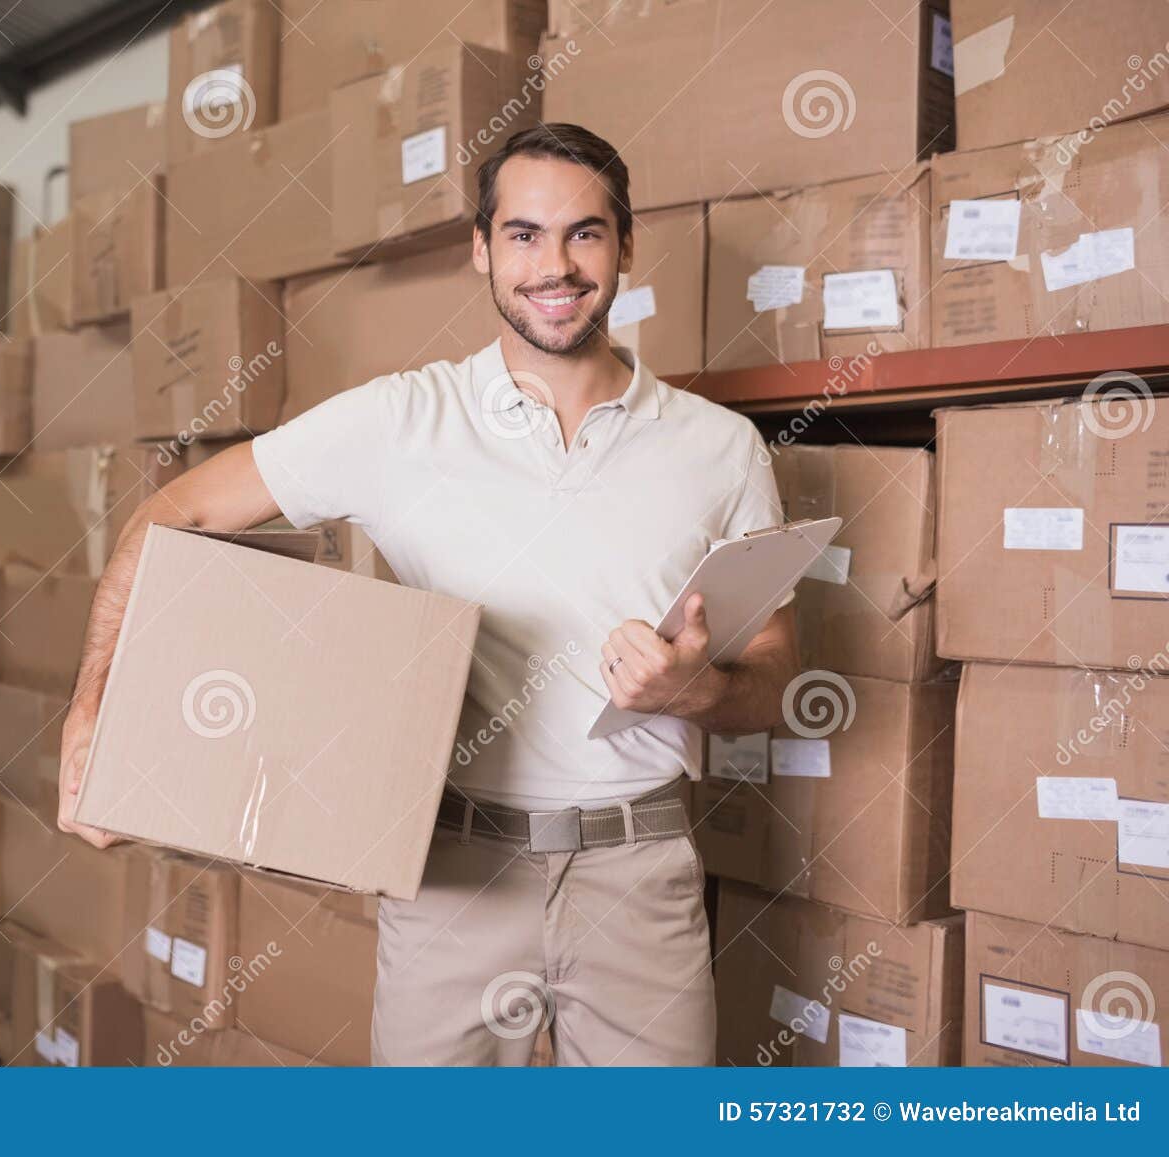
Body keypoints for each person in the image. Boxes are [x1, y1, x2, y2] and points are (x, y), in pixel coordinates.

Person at [57, 123, 797, 1066]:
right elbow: (176, 516)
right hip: (452, 874)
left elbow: (778, 672)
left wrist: (698, 691)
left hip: (640, 871)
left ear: (625, 247)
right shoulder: (402, 420)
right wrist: (93, 713)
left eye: (585, 233)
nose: (555, 264)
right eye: (524, 235)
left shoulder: (719, 447)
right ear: (481, 250)